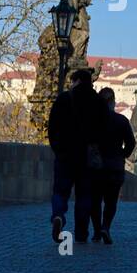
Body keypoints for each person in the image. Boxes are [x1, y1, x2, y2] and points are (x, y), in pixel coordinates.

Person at [47, 68, 109, 243]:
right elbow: (105, 131)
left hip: (65, 155)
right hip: (87, 157)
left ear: (77, 81)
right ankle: (81, 233)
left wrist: (58, 149)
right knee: (84, 195)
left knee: (60, 191)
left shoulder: (64, 99)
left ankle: (58, 215)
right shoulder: (98, 102)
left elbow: (52, 127)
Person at [90, 87, 136, 244]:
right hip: (115, 166)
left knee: (95, 200)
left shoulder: (93, 120)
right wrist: (123, 155)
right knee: (111, 201)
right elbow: (131, 143)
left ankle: (96, 230)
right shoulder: (121, 120)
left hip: (96, 166)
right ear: (113, 102)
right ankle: (105, 227)